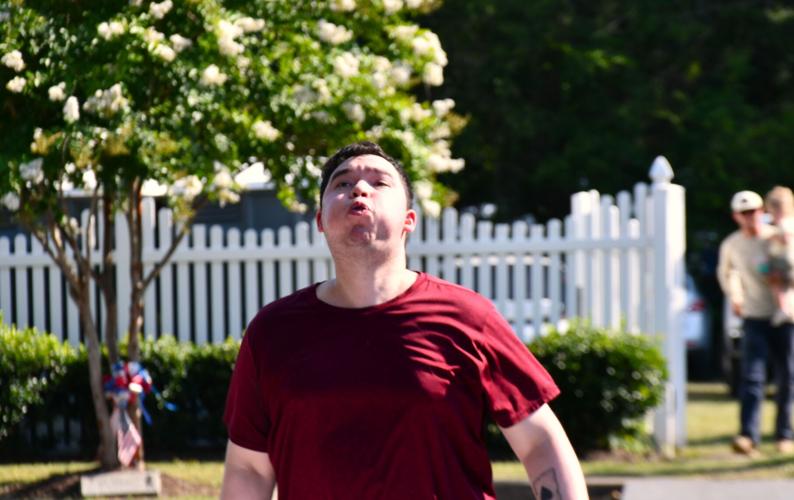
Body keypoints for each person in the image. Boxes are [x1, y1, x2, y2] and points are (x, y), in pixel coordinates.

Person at [221, 141, 588, 499]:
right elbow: (249, 468)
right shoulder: (272, 333)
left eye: (379, 183)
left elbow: (540, 441)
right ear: (320, 220)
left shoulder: (468, 317)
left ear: (408, 221)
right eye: (342, 183)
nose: (359, 189)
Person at [717, 190, 794, 456]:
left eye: (756, 211)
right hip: (754, 317)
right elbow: (728, 274)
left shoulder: (777, 236)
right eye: (745, 213)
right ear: (736, 216)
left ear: (763, 211)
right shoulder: (732, 244)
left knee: (788, 377)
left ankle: (784, 435)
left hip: (785, 318)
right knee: (752, 378)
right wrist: (736, 298)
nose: (752, 217)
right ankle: (748, 436)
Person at [762, 186, 794, 326]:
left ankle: (783, 309)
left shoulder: (783, 222)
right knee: (787, 288)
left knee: (774, 281)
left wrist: (773, 237)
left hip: (783, 260)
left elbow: (786, 239)